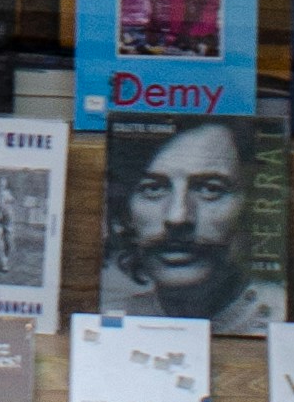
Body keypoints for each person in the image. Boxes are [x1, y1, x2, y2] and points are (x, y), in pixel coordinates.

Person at [100, 121, 277, 338]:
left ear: (253, 203)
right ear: (125, 212)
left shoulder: (282, 324)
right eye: (153, 188)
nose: (178, 217)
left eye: (210, 189)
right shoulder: (113, 318)